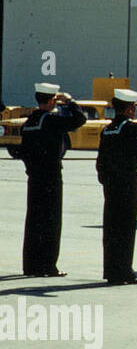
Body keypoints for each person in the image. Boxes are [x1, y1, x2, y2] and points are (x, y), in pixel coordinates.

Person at [18, 83, 87, 278]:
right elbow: (79, 119)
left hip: (34, 175)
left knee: (34, 220)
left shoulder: (30, 121)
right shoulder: (49, 120)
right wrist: (70, 101)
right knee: (50, 220)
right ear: (50, 100)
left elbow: (24, 151)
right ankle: (47, 265)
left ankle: (31, 264)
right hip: (50, 175)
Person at [96, 88, 137, 285]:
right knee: (125, 229)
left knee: (111, 228)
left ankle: (111, 271)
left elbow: (101, 160)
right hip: (127, 185)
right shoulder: (130, 128)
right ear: (131, 109)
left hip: (110, 184)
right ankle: (124, 272)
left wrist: (105, 179)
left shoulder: (107, 129)